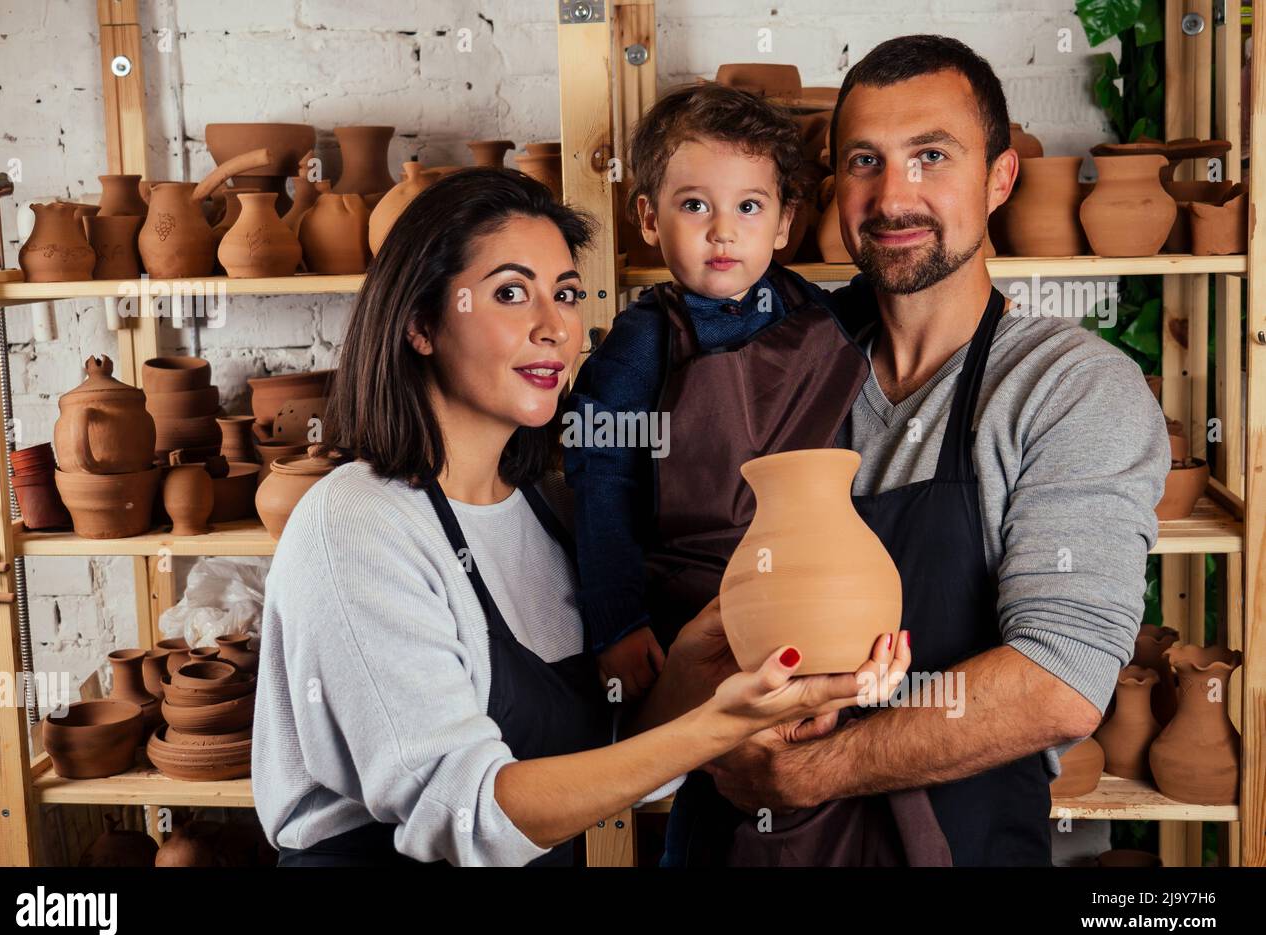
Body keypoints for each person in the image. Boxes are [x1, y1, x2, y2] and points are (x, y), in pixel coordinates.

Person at [250, 166, 910, 867]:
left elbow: (606, 762)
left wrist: (704, 667)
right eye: (510, 294)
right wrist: (716, 729)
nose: (554, 328)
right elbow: (461, 813)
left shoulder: (552, 508)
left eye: (565, 295)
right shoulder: (357, 523)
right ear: (420, 324)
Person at [695, 35, 1169, 866]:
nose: (892, 197)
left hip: (960, 844)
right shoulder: (774, 365)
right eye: (865, 161)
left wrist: (805, 774)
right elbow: (692, 603)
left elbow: (1057, 686)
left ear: (1000, 179)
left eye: (931, 156)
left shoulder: (1069, 388)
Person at [565, 84, 868, 696]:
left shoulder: (821, 314)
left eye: (749, 207)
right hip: (693, 603)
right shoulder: (640, 343)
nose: (723, 231)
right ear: (650, 219)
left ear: (785, 222)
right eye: (696, 206)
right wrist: (616, 624)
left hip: (814, 585)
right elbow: (601, 483)